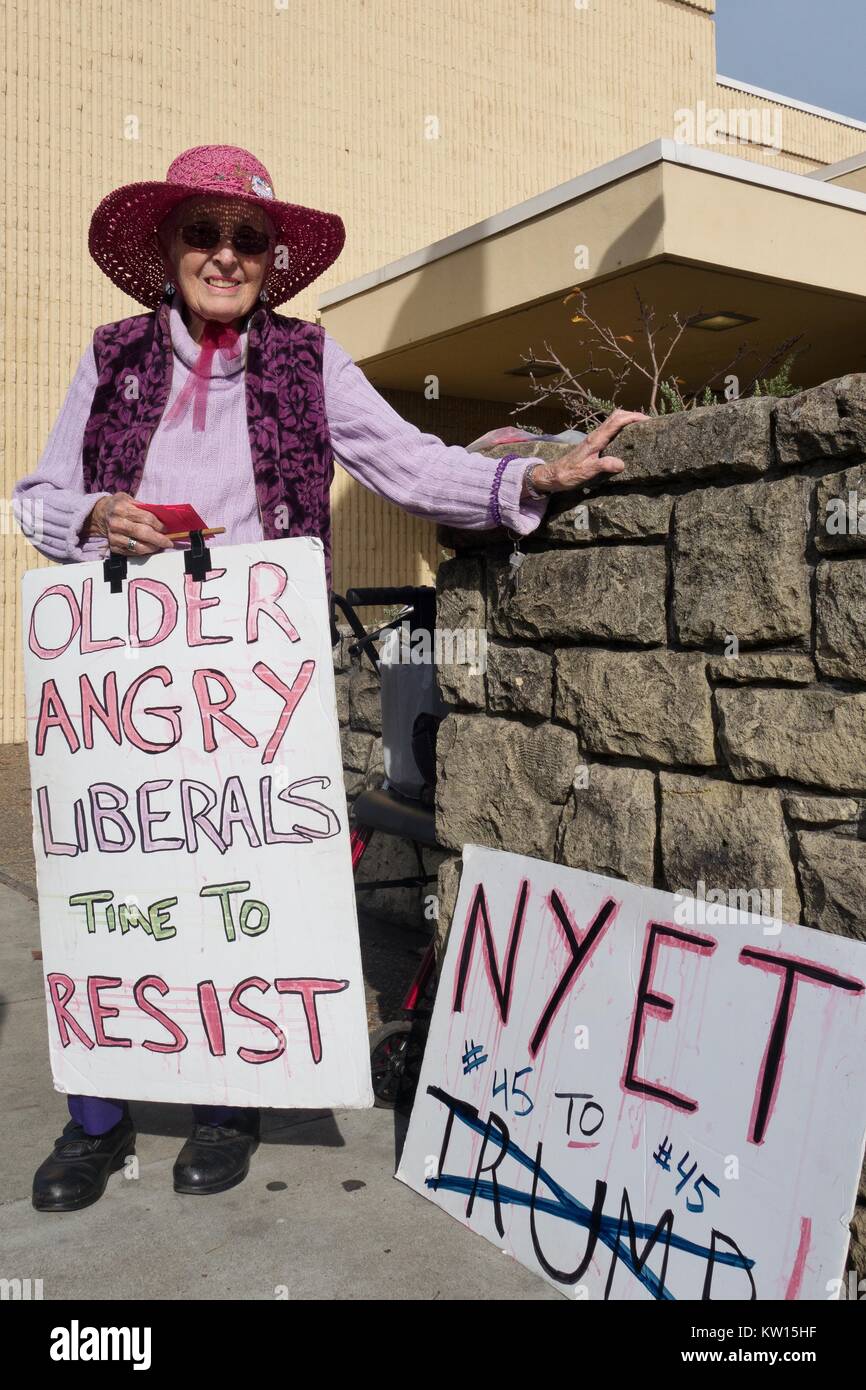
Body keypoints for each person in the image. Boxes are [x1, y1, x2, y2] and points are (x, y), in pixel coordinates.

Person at [13, 144, 644, 1212]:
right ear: (166, 251)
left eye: (246, 237)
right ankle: (97, 1119)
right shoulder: (111, 356)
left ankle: (223, 1102)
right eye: (201, 234)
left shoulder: (308, 362)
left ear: (270, 258)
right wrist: (87, 515)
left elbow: (407, 462)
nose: (224, 254)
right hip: (126, 675)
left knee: (230, 889)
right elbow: (34, 495)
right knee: (117, 892)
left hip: (250, 674)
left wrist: (531, 471)